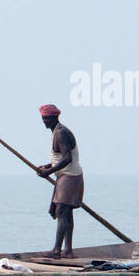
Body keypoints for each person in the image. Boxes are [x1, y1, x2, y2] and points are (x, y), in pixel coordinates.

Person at [34, 103, 84, 259]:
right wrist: (48, 166)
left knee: (62, 211)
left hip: (70, 177)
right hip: (67, 176)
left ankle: (57, 250)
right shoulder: (57, 132)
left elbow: (68, 158)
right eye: (43, 118)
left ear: (55, 117)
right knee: (66, 213)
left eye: (47, 118)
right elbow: (61, 157)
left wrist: (49, 171)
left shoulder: (61, 133)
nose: (44, 122)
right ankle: (68, 251)